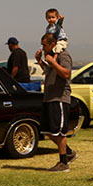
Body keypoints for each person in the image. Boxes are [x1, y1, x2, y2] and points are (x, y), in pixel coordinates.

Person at [35, 32, 76, 172]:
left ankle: (63, 163)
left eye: (44, 45)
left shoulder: (63, 55)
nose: (43, 47)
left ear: (53, 44)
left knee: (59, 132)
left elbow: (66, 73)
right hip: (49, 97)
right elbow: (49, 72)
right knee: (48, 130)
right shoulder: (53, 56)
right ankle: (68, 152)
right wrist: (41, 61)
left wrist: (53, 62)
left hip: (60, 98)